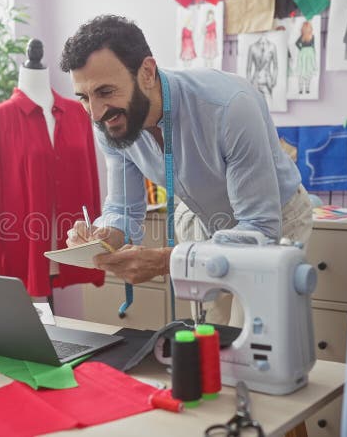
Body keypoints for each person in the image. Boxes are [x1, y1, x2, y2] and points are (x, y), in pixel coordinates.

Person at [61, 15, 312, 290]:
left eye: (106, 91)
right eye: (84, 97)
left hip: (273, 219)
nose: (95, 113)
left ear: (147, 73)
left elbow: (259, 227)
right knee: (209, 318)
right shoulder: (110, 120)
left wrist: (168, 260)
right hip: (203, 219)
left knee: (253, 317)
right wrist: (104, 236)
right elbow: (123, 209)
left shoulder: (229, 107)